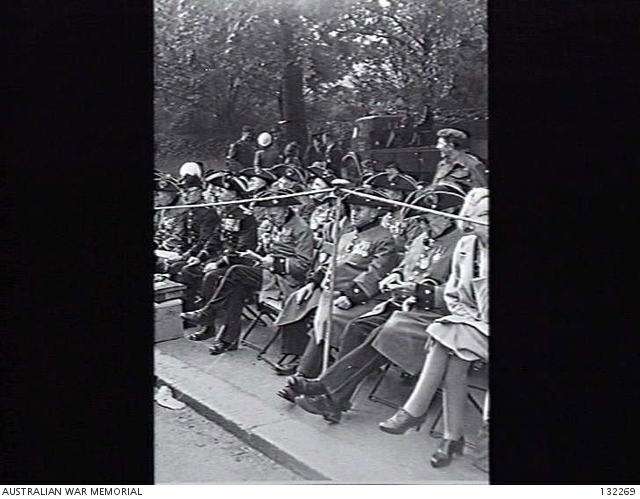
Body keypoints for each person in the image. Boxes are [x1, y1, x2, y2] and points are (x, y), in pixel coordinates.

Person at [279, 184, 465, 424]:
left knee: (384, 332)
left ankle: (327, 389)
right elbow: (403, 267)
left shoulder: (462, 246)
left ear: (446, 216)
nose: (423, 226)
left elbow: (460, 294)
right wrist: (395, 277)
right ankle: (335, 399)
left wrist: (418, 291)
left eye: (428, 220)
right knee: (358, 327)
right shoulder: (422, 238)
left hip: (435, 317)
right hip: (402, 309)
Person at [378, 188, 489, 469]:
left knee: (444, 336)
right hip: (472, 328)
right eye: (484, 215)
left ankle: (415, 411)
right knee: (452, 354)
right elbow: (452, 295)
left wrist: (469, 323)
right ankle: (451, 439)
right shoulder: (466, 246)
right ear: (469, 220)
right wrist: (468, 320)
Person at [272, 186, 398, 379]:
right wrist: (312, 284)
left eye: (360, 210)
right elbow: (331, 264)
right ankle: (295, 353)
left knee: (330, 318)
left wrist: (351, 296)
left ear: (374, 213)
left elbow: (375, 274)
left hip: (357, 296)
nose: (353, 214)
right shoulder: (348, 235)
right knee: (298, 300)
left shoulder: (384, 239)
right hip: (328, 289)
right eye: (352, 209)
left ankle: (305, 372)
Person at [180, 189, 315, 355]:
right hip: (267, 273)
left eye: (273, 216)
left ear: (286, 210)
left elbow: (303, 266)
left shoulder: (301, 229)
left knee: (236, 272)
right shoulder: (275, 224)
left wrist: (274, 262)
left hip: (285, 279)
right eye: (268, 215)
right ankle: (227, 339)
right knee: (227, 282)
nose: (270, 219)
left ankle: (209, 313)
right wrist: (260, 251)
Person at [178, 172, 258, 341]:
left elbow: (244, 249)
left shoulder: (246, 216)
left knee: (212, 276)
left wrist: (219, 263)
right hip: (225, 259)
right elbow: (215, 238)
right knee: (189, 269)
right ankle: (203, 318)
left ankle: (208, 322)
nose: (218, 195)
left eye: (222, 191)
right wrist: (200, 257)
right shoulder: (226, 212)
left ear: (234, 194)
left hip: (242, 263)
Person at [164, 175, 221, 310]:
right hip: (193, 253)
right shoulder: (189, 211)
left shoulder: (208, 213)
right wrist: (179, 252)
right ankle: (175, 308)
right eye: (183, 192)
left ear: (200, 191)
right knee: (172, 266)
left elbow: (204, 240)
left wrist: (185, 256)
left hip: (209, 254)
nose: (185, 195)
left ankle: (191, 309)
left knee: (185, 270)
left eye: (189, 191)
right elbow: (185, 238)